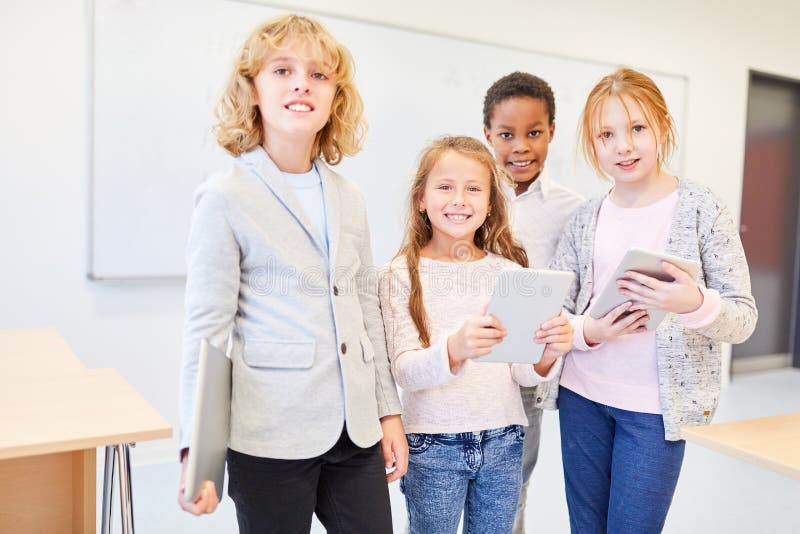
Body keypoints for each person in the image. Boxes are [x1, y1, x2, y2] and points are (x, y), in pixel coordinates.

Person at [177, 14, 406, 533]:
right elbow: (206, 331)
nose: (302, 82)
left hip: (356, 431)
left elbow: (365, 309)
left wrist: (388, 411)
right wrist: (199, 448)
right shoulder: (225, 196)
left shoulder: (350, 197)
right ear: (252, 90)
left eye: (319, 75)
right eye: (282, 70)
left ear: (333, 100)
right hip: (270, 432)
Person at [545, 67, 757, 533]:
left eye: (637, 128)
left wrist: (693, 302)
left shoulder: (703, 208)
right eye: (607, 134)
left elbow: (742, 317)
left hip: (655, 411)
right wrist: (588, 331)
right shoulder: (585, 219)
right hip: (582, 398)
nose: (623, 146)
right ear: (592, 143)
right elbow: (555, 314)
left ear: (663, 127)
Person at [379, 135, 573, 533]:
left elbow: (522, 370)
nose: (459, 200)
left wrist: (549, 354)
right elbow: (404, 371)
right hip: (432, 446)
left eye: (473, 189)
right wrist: (454, 349)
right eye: (445, 187)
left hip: (504, 440)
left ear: (489, 204)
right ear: (421, 198)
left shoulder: (510, 274)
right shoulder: (399, 274)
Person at [482, 71, 584, 533]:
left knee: (513, 480)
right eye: (506, 135)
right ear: (487, 135)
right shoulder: (470, 196)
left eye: (534, 133)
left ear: (552, 132)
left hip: (528, 367)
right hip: (472, 358)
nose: (520, 146)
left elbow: (576, 287)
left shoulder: (572, 209)